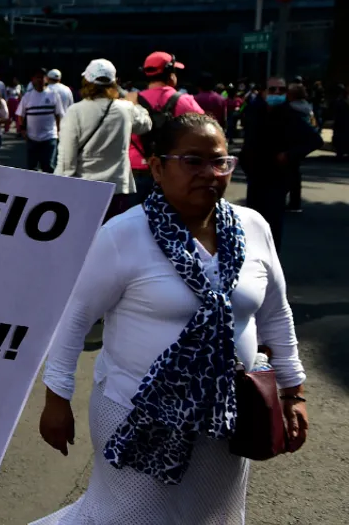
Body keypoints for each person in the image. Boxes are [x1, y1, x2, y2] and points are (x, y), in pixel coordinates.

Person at [35, 113, 307, 525]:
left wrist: (294, 391)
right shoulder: (123, 235)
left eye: (219, 162)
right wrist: (57, 399)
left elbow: (276, 315)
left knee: (212, 514)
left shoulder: (253, 227)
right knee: (128, 516)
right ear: (158, 168)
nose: (209, 173)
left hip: (225, 415)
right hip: (134, 410)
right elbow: (73, 319)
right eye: (192, 161)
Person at [55, 59, 153, 221]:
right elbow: (145, 125)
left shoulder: (75, 112)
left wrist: (61, 188)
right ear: (114, 83)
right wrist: (135, 103)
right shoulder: (125, 108)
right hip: (118, 188)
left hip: (85, 188)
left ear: (86, 81)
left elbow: (67, 160)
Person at [240, 77, 322, 250]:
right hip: (255, 175)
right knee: (252, 221)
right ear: (263, 92)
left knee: (272, 224)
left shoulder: (290, 116)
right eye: (273, 90)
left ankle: (271, 262)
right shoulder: (254, 112)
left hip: (277, 177)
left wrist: (289, 155)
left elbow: (315, 140)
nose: (277, 93)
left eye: (281, 90)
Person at [128, 52, 204, 200]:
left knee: (135, 220)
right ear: (170, 74)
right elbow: (203, 131)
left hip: (135, 171)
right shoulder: (184, 101)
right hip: (171, 170)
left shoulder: (131, 100)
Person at [17, 68, 68, 172]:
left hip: (49, 137)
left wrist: (58, 131)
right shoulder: (27, 96)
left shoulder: (53, 95)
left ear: (46, 79)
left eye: (42, 77)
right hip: (32, 138)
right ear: (33, 80)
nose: (40, 80)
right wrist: (22, 130)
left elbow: (58, 114)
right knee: (32, 168)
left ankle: (49, 188)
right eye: (37, 77)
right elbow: (20, 115)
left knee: (48, 166)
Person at [284, 82, 317, 212]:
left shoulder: (291, 109)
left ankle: (285, 199)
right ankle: (295, 202)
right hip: (302, 144)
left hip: (291, 142)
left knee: (288, 173)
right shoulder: (308, 107)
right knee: (294, 174)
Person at [332, 83, 349, 159]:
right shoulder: (340, 102)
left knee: (340, 137)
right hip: (342, 123)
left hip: (341, 123)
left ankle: (340, 152)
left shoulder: (339, 101)